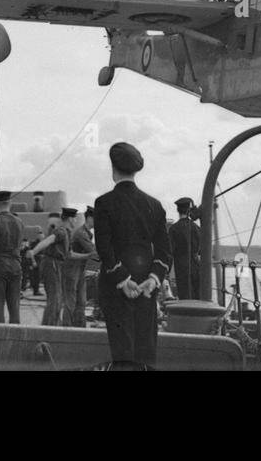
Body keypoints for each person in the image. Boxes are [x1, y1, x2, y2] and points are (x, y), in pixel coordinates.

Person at [93, 142, 171, 369]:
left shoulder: (104, 203)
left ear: (113, 169)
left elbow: (104, 248)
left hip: (116, 290)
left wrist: (123, 279)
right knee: (146, 350)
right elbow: (165, 251)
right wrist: (153, 279)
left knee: (122, 351)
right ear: (136, 170)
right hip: (147, 290)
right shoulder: (155, 205)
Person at [0, 190, 24, 324]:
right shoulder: (19, 222)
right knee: (14, 307)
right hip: (16, 266)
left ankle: (0, 338)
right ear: (10, 203)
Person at [27, 211, 69, 326]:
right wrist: (34, 251)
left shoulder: (63, 232)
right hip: (53, 265)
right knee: (54, 299)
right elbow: (48, 240)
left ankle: (54, 324)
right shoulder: (61, 231)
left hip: (54, 265)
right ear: (70, 219)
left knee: (57, 299)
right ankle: (49, 328)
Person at [169, 197, 203, 300]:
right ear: (189, 211)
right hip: (196, 266)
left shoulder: (173, 229)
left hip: (181, 267)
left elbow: (170, 251)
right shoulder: (197, 229)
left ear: (178, 210)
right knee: (197, 295)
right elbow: (201, 250)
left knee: (185, 295)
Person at [67, 207, 97, 327]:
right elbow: (94, 252)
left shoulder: (86, 233)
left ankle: (79, 327)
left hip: (80, 269)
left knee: (81, 301)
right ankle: (67, 328)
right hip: (72, 269)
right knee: (71, 301)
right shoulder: (81, 233)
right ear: (89, 218)